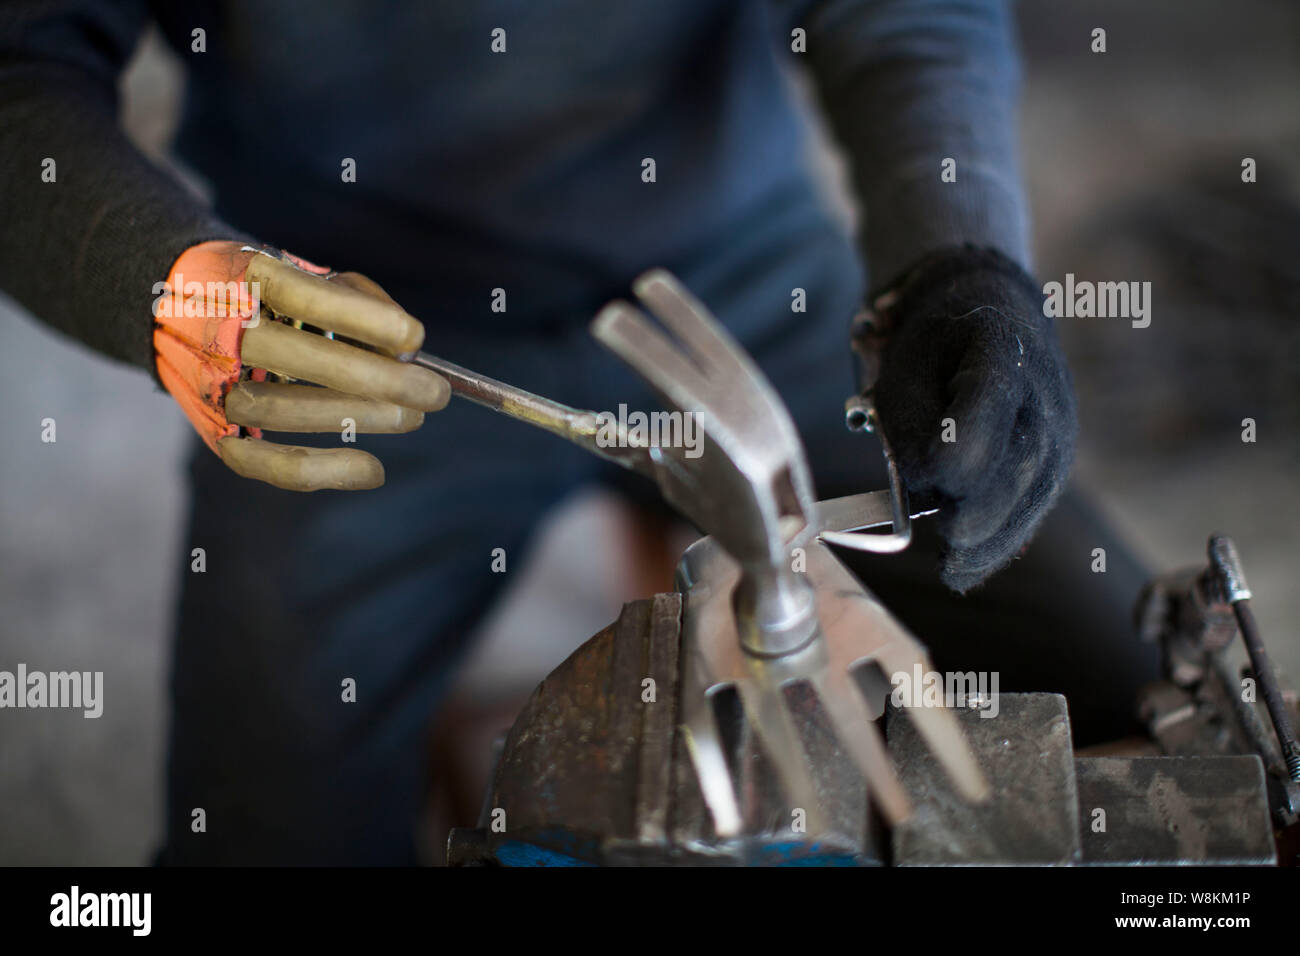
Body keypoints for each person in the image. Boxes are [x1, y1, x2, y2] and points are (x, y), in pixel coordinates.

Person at [0, 1, 1159, 864]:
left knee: (1141, 702)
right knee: (258, 833)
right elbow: (25, 70)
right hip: (334, 321)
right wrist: (158, 282)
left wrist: (962, 254)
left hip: (732, 283)